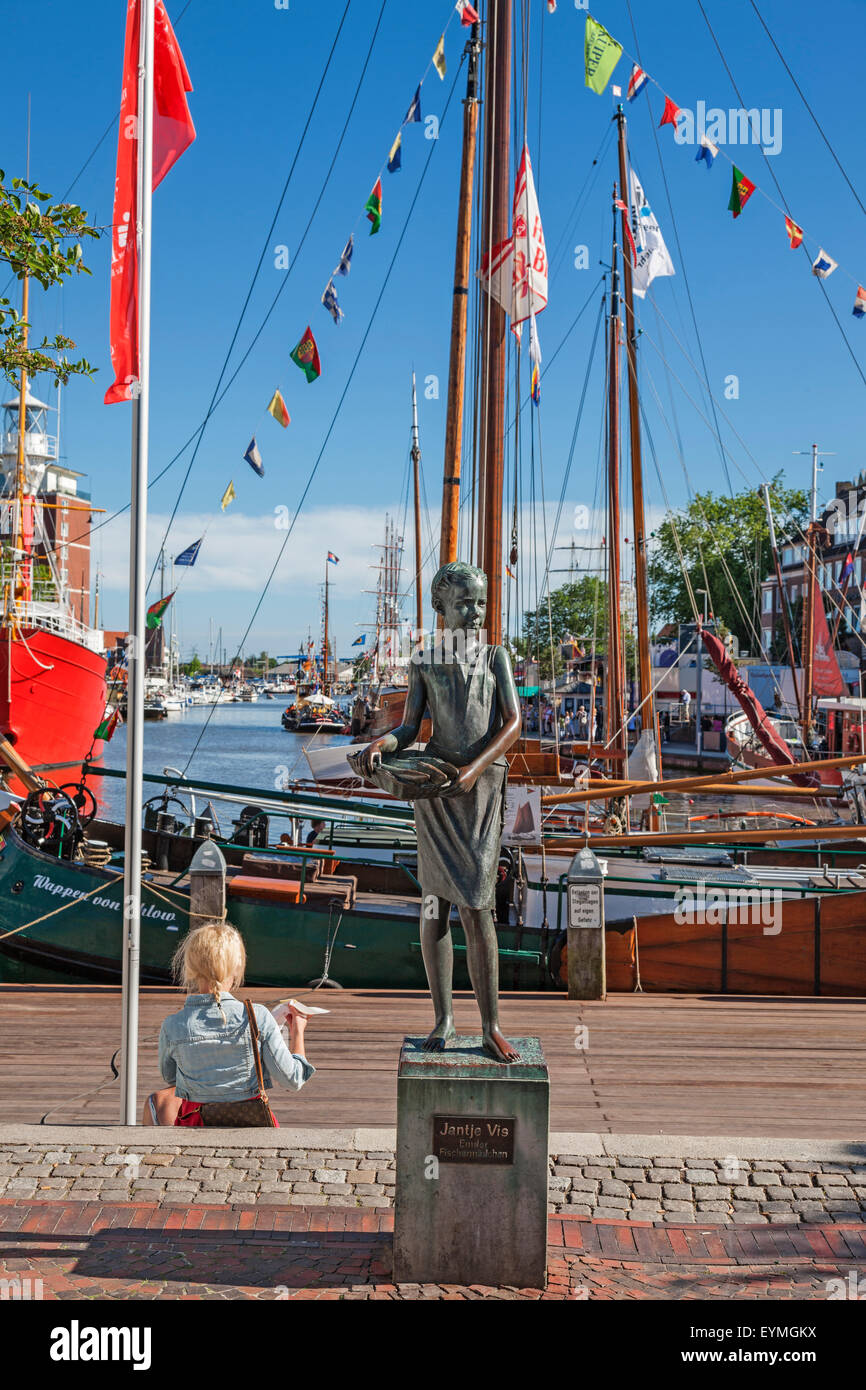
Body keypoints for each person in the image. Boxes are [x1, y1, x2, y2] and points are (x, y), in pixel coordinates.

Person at [358, 561, 521, 1063]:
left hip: (479, 791)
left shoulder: (496, 657)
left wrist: (475, 769)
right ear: (440, 607)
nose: (474, 612)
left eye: (480, 602)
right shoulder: (425, 660)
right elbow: (410, 727)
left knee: (478, 906)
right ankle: (444, 1017)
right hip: (436, 789)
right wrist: (382, 743)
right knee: (434, 906)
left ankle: (491, 1024)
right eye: (464, 603)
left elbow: (513, 723)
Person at [143, 920, 314, 1127]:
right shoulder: (257, 1016)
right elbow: (293, 1080)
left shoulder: (173, 1025)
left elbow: (171, 1077)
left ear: (190, 967)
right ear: (236, 968)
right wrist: (298, 1031)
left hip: (194, 1125)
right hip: (251, 1126)